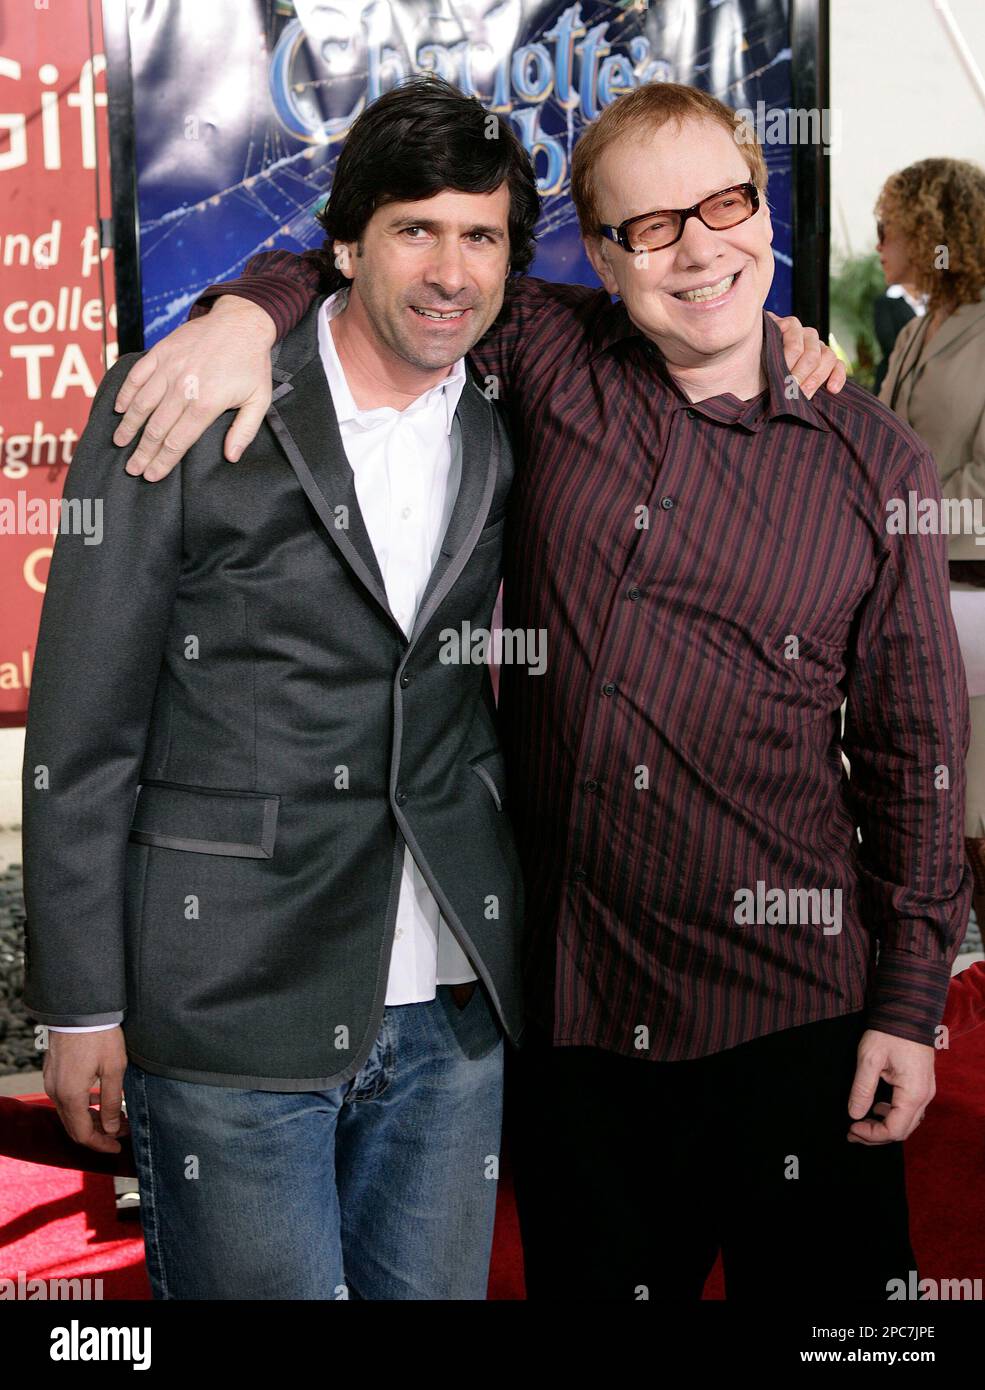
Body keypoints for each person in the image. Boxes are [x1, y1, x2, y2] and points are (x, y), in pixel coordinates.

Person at [109, 80, 968, 1302]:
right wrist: (248, 312)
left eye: (724, 204)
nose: (698, 247)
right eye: (649, 227)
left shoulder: (875, 458)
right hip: (578, 1028)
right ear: (599, 260)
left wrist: (907, 998)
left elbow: (914, 747)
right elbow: (383, 260)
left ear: (764, 210)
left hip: (800, 1016)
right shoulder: (544, 352)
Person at [22, 77, 535, 1300]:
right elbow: (83, 728)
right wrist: (79, 1004)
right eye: (416, 229)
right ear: (347, 241)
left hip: (453, 1000)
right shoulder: (185, 402)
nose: (451, 271)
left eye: (482, 235)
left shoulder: (513, 419)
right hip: (230, 996)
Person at [876, 157, 985, 942]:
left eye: (890, 226)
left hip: (972, 605)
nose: (879, 243)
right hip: (915, 601)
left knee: (976, 819)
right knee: (932, 818)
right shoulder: (917, 327)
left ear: (931, 231)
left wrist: (893, 522)